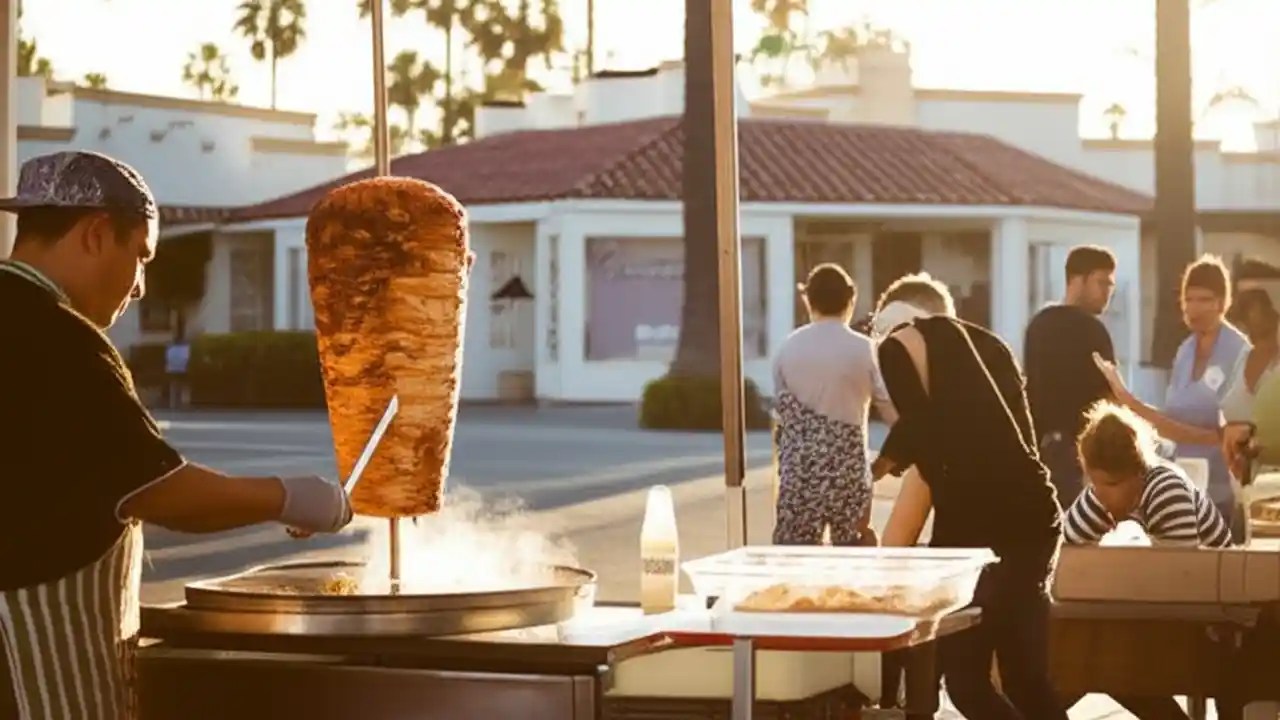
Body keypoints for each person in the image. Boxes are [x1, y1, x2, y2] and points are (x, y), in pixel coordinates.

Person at [0, 151, 354, 720]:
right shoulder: (59, 339)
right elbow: (158, 491)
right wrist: (289, 496)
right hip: (24, 667)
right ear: (95, 234)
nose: (139, 287)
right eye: (139, 257)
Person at [870, 273, 1067, 720]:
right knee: (1024, 678)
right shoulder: (988, 350)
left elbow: (923, 446)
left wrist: (876, 478)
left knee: (966, 679)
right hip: (1035, 521)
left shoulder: (903, 347)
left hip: (983, 536)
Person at [1061, 401, 1232, 720]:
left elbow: (1181, 579)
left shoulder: (1166, 487)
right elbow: (1063, 548)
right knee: (1088, 663)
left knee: (1112, 667)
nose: (1102, 495)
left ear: (1138, 473)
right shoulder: (1103, 492)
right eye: (1093, 484)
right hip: (1176, 612)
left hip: (1218, 619)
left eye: (1112, 485)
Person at [771, 263, 896, 546]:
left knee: (794, 561)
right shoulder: (866, 349)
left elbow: (783, 416)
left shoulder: (786, 349)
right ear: (851, 300)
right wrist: (886, 462)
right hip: (848, 472)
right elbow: (892, 413)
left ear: (807, 300)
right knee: (853, 557)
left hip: (799, 472)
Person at [1024, 245, 1118, 508]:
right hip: (1081, 457)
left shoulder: (1037, 325)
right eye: (1101, 283)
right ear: (1077, 280)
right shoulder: (1093, 330)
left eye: (1110, 285)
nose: (1107, 293)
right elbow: (1113, 397)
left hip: (1039, 452)